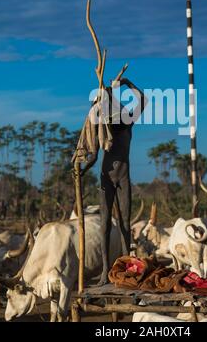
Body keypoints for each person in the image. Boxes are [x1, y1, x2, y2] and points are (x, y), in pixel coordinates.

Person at [81, 78, 147, 285]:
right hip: (106, 177)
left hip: (123, 177)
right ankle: (105, 272)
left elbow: (143, 100)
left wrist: (128, 82)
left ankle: (129, 267)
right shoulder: (103, 125)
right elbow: (92, 155)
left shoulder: (128, 121)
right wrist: (81, 170)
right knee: (104, 226)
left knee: (125, 224)